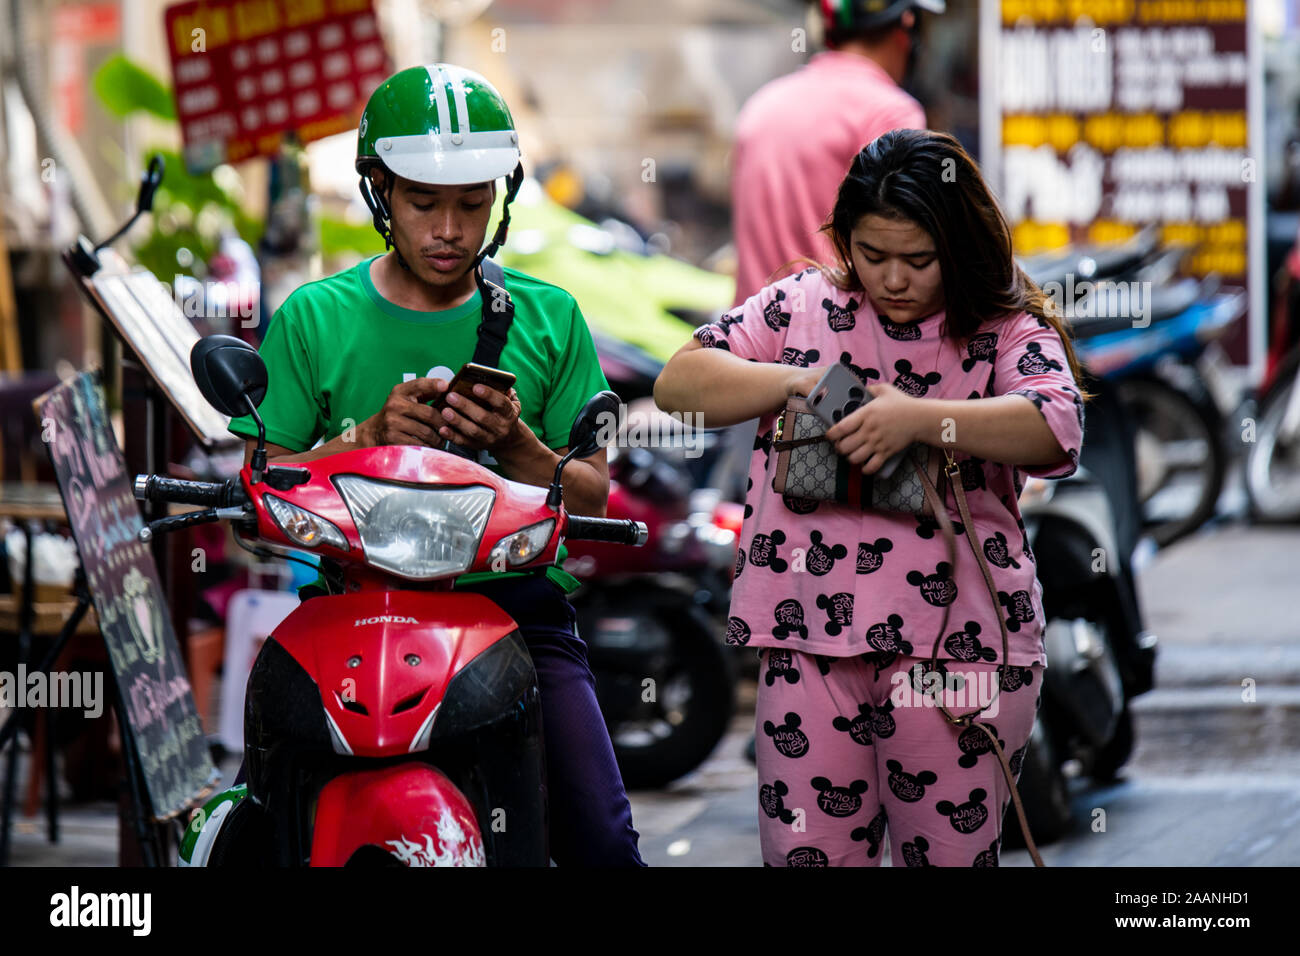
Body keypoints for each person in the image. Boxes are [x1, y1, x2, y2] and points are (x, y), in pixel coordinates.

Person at [226, 63, 644, 866]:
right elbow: (258, 488)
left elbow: (589, 493)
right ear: (379, 192)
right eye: (424, 202)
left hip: (517, 614)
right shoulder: (314, 318)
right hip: (347, 617)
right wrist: (371, 433)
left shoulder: (549, 317)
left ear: (502, 197)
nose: (450, 228)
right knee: (255, 834)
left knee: (601, 839)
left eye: (472, 202)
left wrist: (516, 441)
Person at [654, 128, 1089, 866]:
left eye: (919, 260)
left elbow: (1056, 427)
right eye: (872, 254)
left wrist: (919, 418)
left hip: (958, 650)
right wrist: (800, 380)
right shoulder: (801, 306)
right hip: (808, 650)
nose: (892, 280)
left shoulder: (1004, 328)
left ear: (959, 246)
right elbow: (679, 385)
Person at [730, 0, 944, 307]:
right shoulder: (890, 111)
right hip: (833, 339)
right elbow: (909, 241)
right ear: (906, 28)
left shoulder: (762, 105)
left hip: (749, 339)